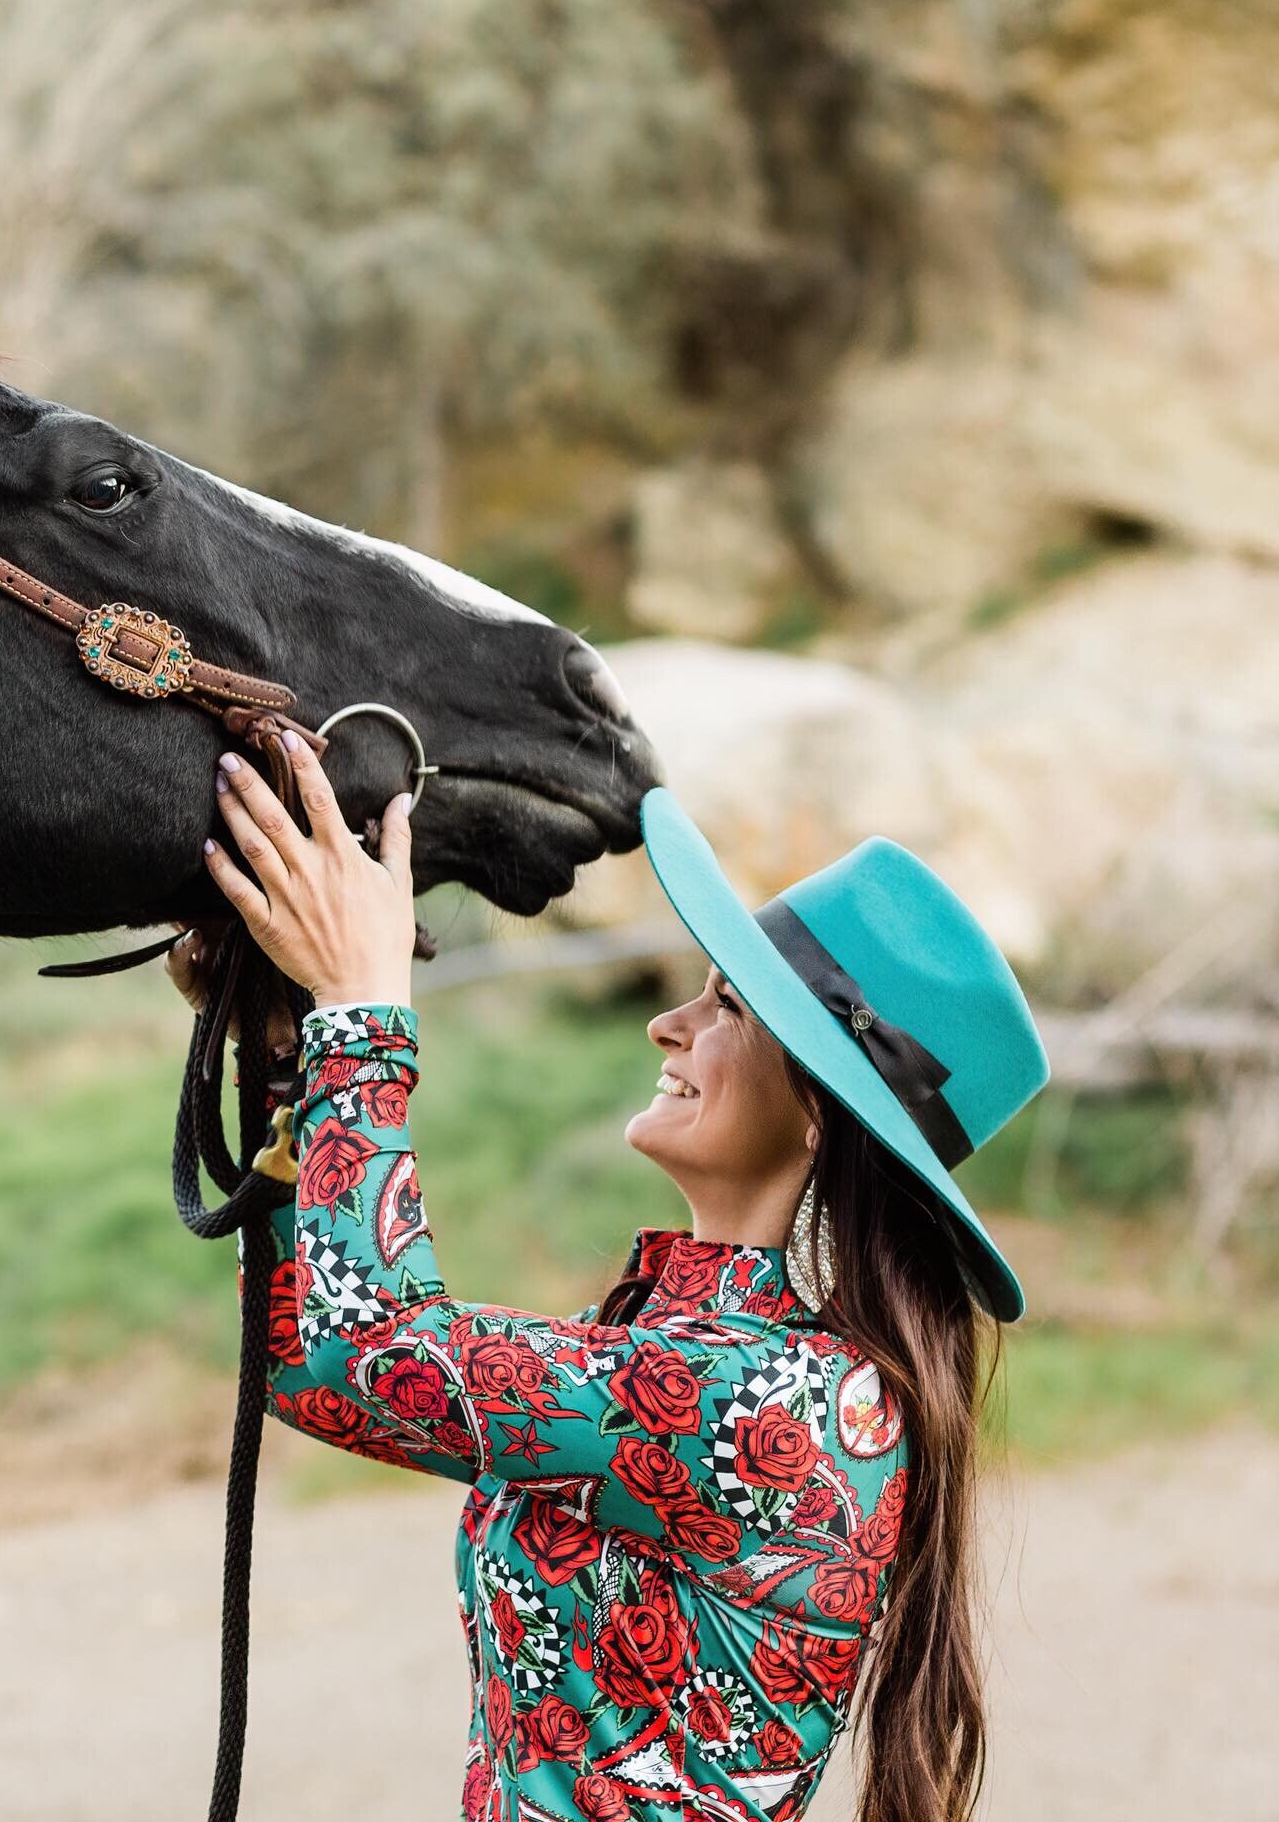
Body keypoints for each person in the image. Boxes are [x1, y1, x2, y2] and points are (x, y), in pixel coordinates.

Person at [176, 732, 1046, 1822]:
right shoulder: (698, 1345)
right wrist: (283, 1038)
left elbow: (374, 1349)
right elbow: (311, 1367)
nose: (667, 1022)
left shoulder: (781, 1400)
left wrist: (363, 1006)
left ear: (820, 1108)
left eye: (725, 1005)